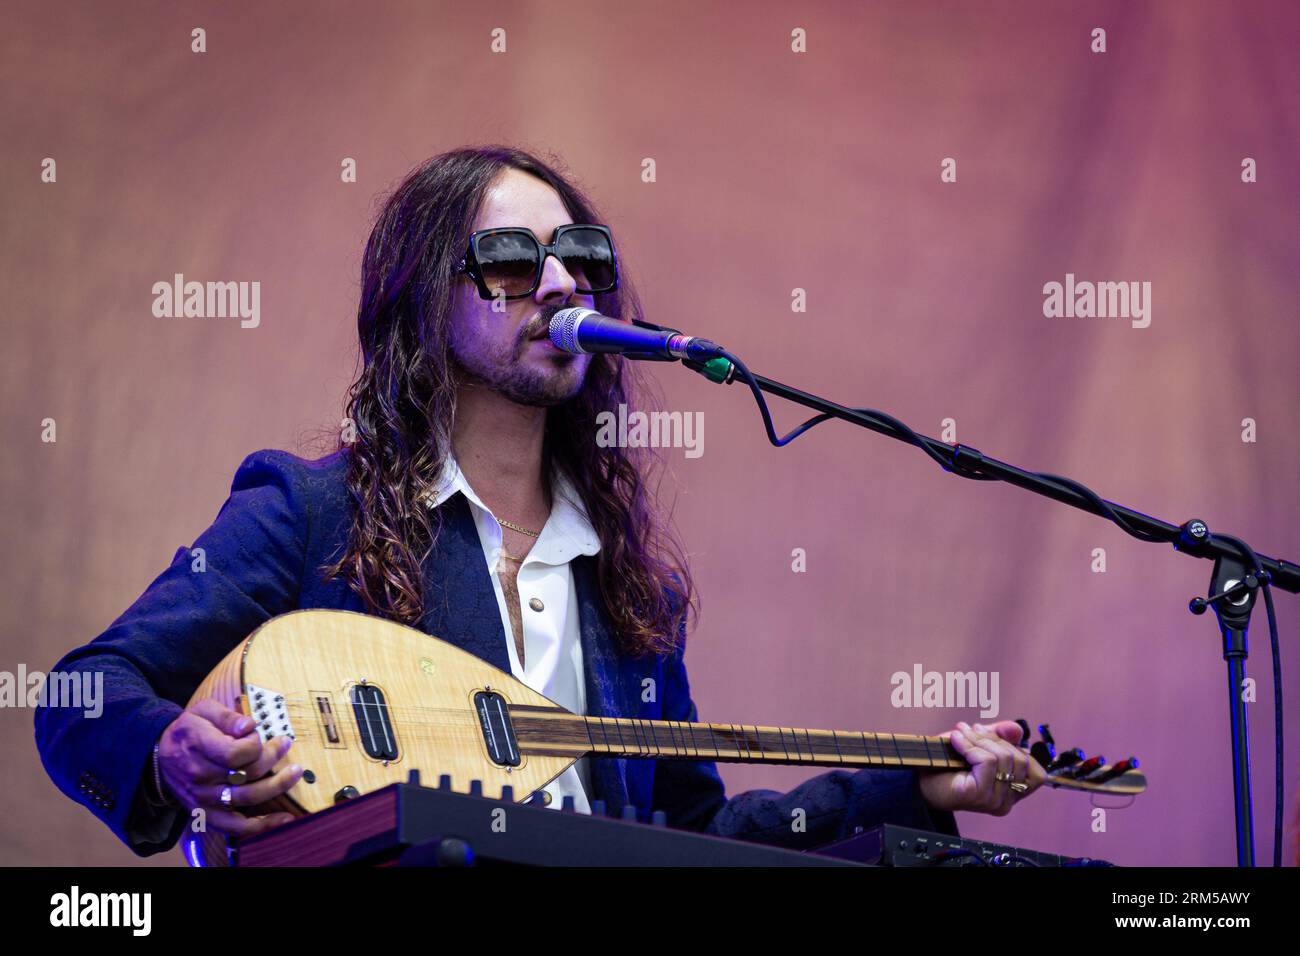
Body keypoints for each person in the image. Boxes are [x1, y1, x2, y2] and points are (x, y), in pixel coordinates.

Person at [34, 145, 1045, 859]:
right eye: (514, 260)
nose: (561, 280)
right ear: (425, 298)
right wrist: (167, 754)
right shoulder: (309, 512)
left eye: (581, 257)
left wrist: (910, 785)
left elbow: (680, 837)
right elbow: (79, 693)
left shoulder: (626, 582)